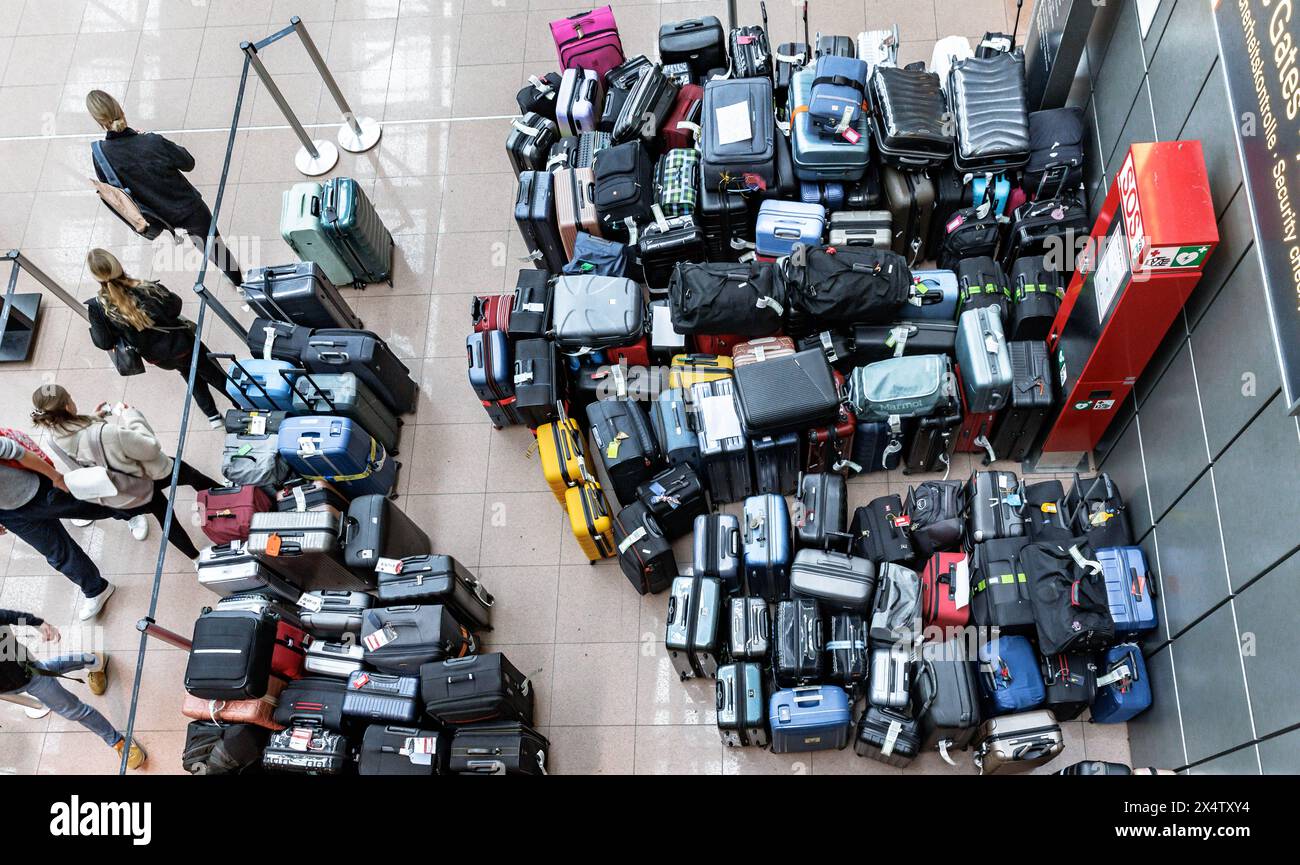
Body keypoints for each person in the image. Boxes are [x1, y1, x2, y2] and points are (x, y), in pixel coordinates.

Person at [31, 384, 219, 561]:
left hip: (123, 489)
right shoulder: (108, 433)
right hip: (148, 473)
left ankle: (195, 558)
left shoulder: (52, 438)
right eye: (70, 398)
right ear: (67, 406)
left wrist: (94, 418)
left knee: (166, 518)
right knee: (189, 474)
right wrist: (132, 415)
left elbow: (79, 456)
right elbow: (150, 447)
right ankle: (229, 496)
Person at [85, 89, 243, 288]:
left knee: (205, 243)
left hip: (156, 216)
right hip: (188, 207)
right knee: (214, 247)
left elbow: (114, 192)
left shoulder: (101, 155)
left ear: (99, 121)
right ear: (121, 110)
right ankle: (238, 282)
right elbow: (188, 162)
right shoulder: (151, 142)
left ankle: (202, 248)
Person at [85, 248, 232, 430]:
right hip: (182, 344)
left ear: (96, 277)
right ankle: (243, 403)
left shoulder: (99, 308)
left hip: (158, 358)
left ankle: (212, 416)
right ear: (117, 265)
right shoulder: (143, 287)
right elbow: (175, 306)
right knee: (212, 372)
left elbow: (104, 342)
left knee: (189, 373)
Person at [0, 608, 146, 770]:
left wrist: (37, 623)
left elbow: (7, 616)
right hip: (11, 683)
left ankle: (118, 741)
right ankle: (95, 660)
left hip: (28, 676)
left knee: (74, 710)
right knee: (48, 668)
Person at [0, 431, 119, 620]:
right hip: (8, 512)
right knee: (56, 552)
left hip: (36, 487)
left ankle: (133, 507)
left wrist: (56, 477)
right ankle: (96, 589)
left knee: (90, 507)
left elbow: (18, 453)